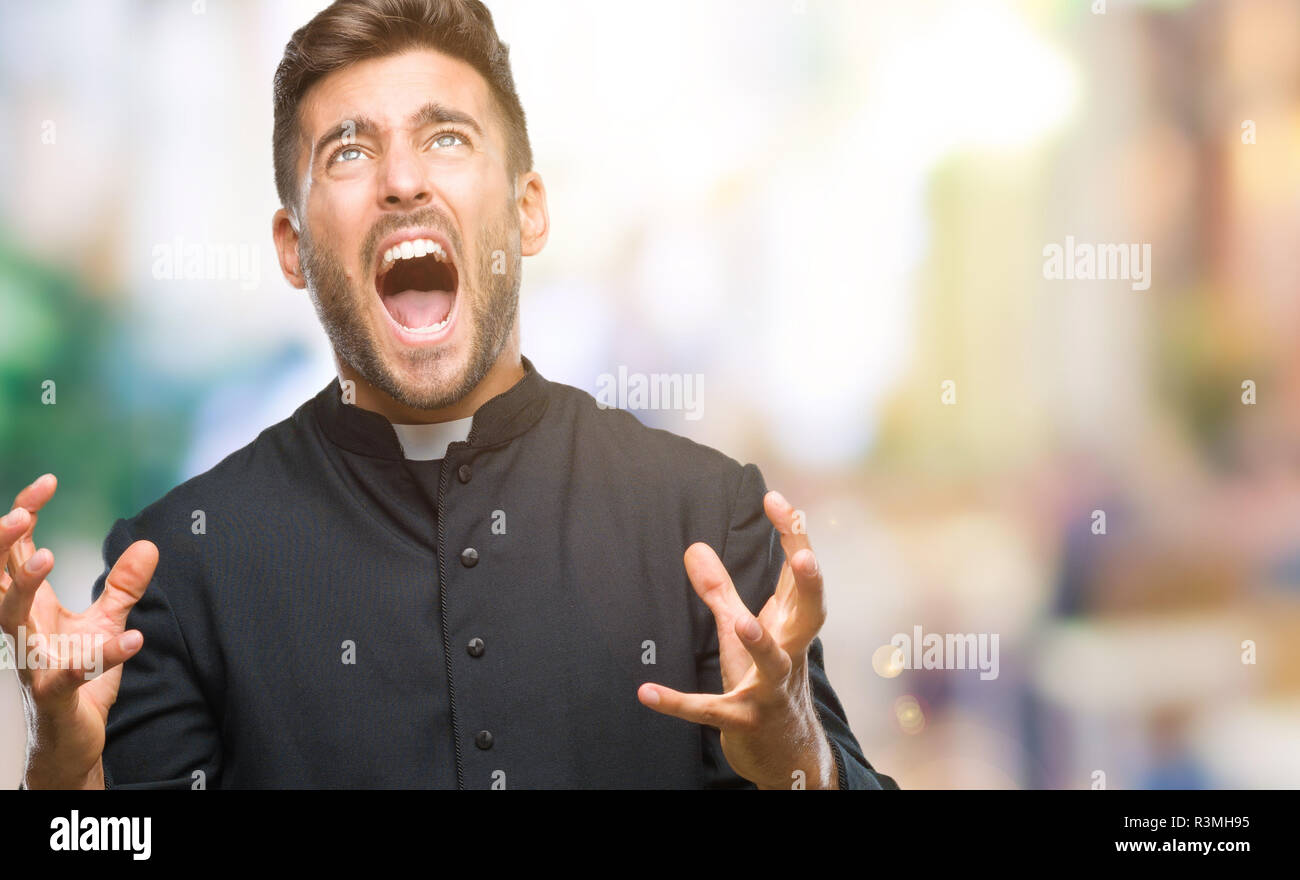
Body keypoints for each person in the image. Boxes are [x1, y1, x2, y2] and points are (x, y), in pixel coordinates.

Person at [2, 0, 896, 790]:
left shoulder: (706, 519)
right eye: (348, 150)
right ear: (291, 245)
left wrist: (799, 760)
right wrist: (66, 783)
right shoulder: (174, 569)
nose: (402, 179)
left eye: (447, 137)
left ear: (528, 211)